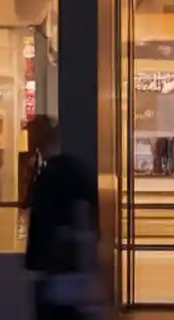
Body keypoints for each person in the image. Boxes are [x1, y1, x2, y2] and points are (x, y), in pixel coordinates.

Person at [24, 116, 101, 320]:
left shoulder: (49, 177)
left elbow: (41, 226)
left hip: (56, 273)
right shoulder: (77, 170)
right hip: (75, 271)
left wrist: (34, 262)